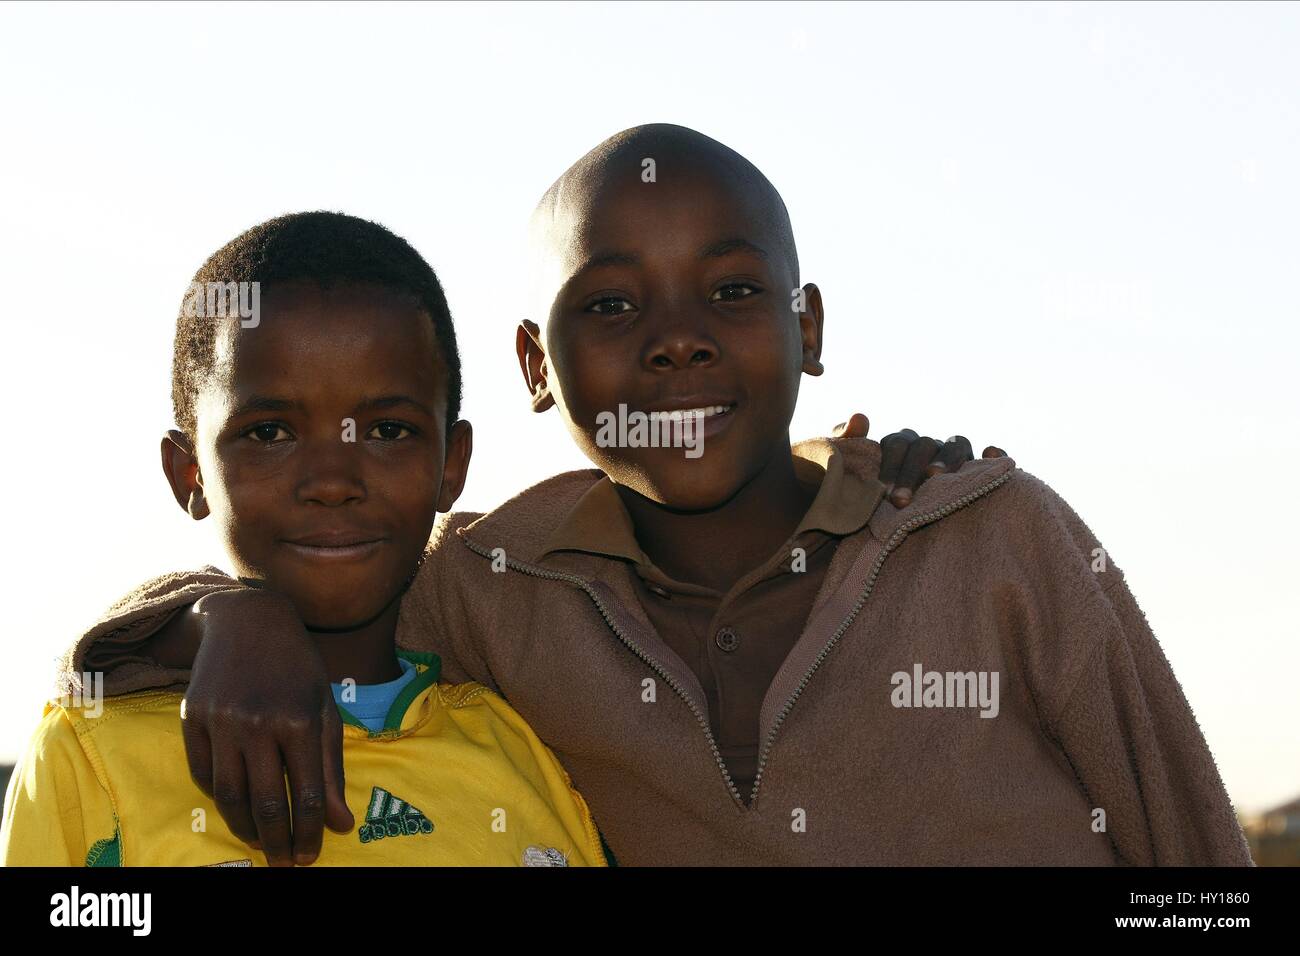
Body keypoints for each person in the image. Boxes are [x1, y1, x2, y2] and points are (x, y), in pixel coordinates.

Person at [59, 124, 1223, 867]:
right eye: (612, 306)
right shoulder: (494, 591)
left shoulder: (994, 541)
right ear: (533, 366)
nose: (675, 344)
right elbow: (311, 559)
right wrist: (230, 611)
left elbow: (1194, 853)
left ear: (805, 328)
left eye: (729, 291)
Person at [1, 212, 607, 866]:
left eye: (387, 431)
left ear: (450, 465)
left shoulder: (523, 755)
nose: (332, 480)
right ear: (190, 474)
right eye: (269, 433)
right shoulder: (94, 757)